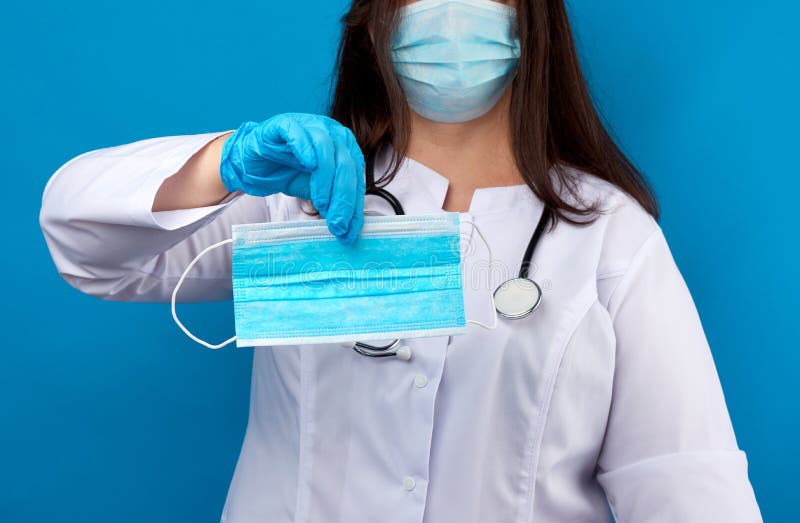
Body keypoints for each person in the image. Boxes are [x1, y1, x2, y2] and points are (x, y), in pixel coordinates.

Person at [39, 0, 762, 521]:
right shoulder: (299, 201)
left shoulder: (609, 238)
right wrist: (222, 163)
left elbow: (686, 484)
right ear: (376, 20)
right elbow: (83, 248)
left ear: (529, 18)